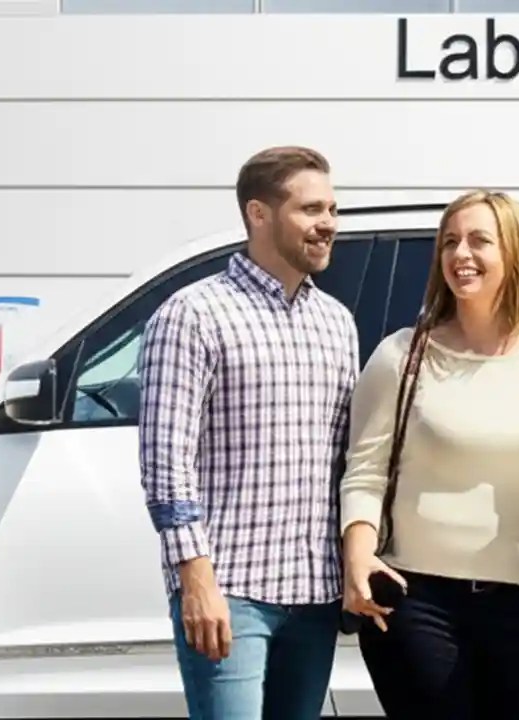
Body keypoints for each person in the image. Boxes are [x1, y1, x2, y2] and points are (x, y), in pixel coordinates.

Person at [338, 189, 519, 720]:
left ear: (514, 255)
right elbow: (364, 470)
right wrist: (358, 556)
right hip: (418, 600)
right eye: (450, 242)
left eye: (480, 241)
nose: (461, 254)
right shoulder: (401, 355)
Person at [137, 145, 356, 720]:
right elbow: (166, 461)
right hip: (231, 590)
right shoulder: (193, 315)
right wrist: (195, 580)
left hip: (315, 593)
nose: (328, 224)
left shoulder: (337, 324)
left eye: (332, 209)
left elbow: (346, 458)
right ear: (258, 214)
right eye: (311, 209)